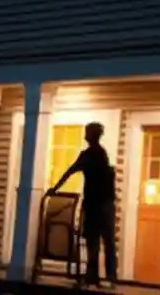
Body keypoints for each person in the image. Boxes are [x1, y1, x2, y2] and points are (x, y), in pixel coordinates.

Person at [48, 121, 117, 287]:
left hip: (97, 203)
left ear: (93, 135)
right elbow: (72, 170)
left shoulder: (91, 154)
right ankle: (100, 276)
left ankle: (102, 277)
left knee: (98, 240)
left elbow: (70, 171)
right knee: (102, 240)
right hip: (103, 203)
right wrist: (56, 187)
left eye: (87, 132)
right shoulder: (101, 154)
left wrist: (55, 188)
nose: (85, 135)